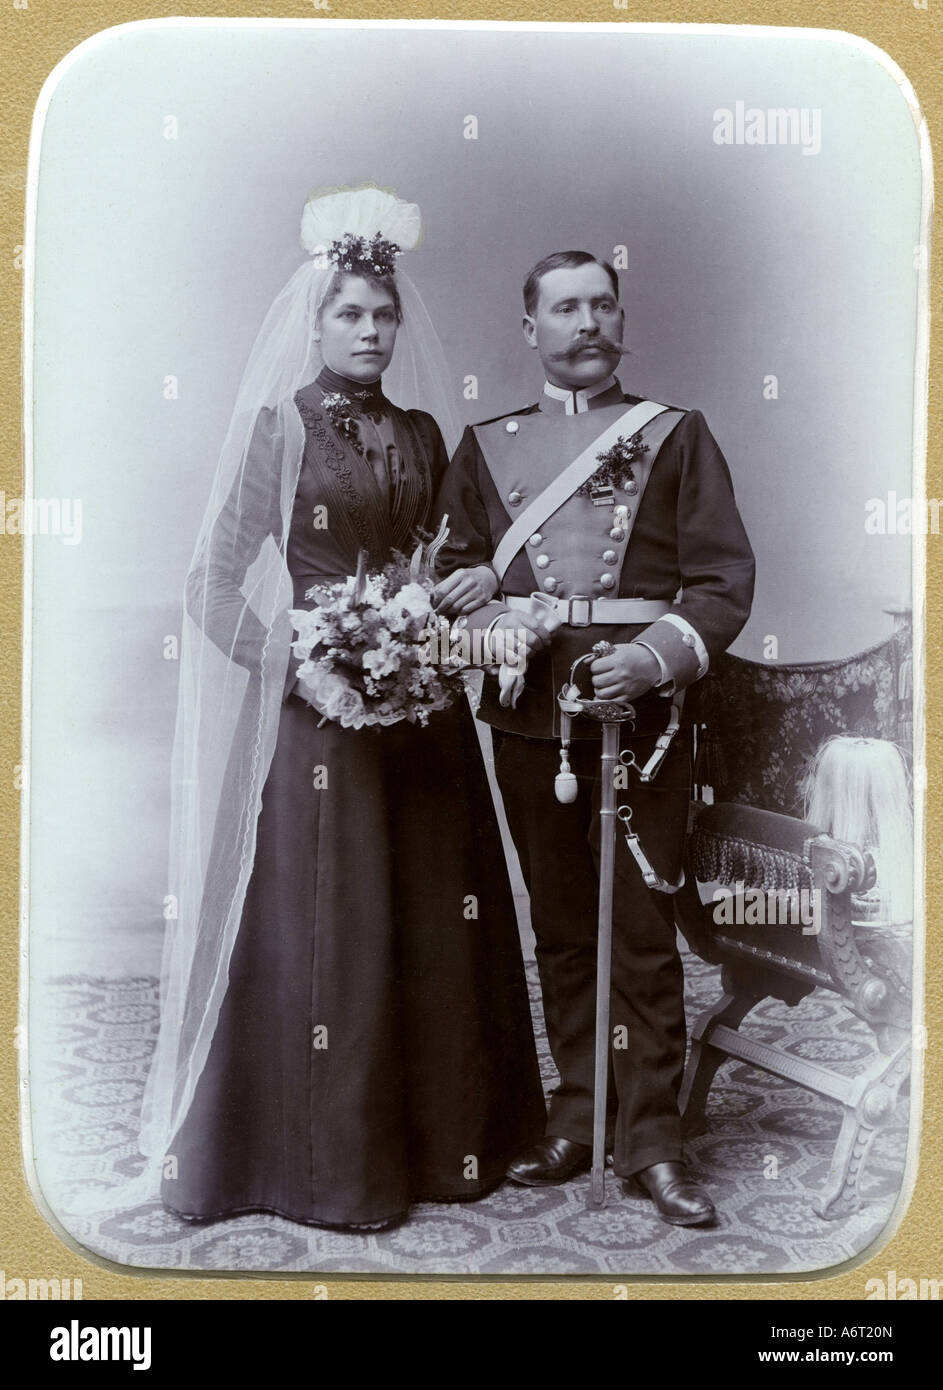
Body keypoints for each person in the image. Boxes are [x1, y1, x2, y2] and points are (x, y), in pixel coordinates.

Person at [134, 188, 545, 1233]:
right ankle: (319, 1163)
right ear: (314, 325)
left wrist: (467, 597)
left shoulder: (421, 432)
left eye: (383, 315)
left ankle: (445, 1145)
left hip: (424, 718)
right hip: (316, 722)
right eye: (350, 315)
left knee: (435, 922)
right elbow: (213, 585)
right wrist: (298, 665)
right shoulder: (276, 430)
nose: (371, 332)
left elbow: (466, 566)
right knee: (336, 928)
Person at [433, 249, 756, 1226]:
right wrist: (477, 590)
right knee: (562, 927)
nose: (586, 322)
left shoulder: (675, 436)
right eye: (564, 308)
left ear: (621, 321)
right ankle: (580, 1113)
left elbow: (721, 584)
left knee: (641, 934)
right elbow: (449, 566)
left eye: (601, 305)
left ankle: (654, 1139)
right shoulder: (486, 445)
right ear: (529, 329)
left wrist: (653, 658)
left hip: (640, 720)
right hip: (533, 714)